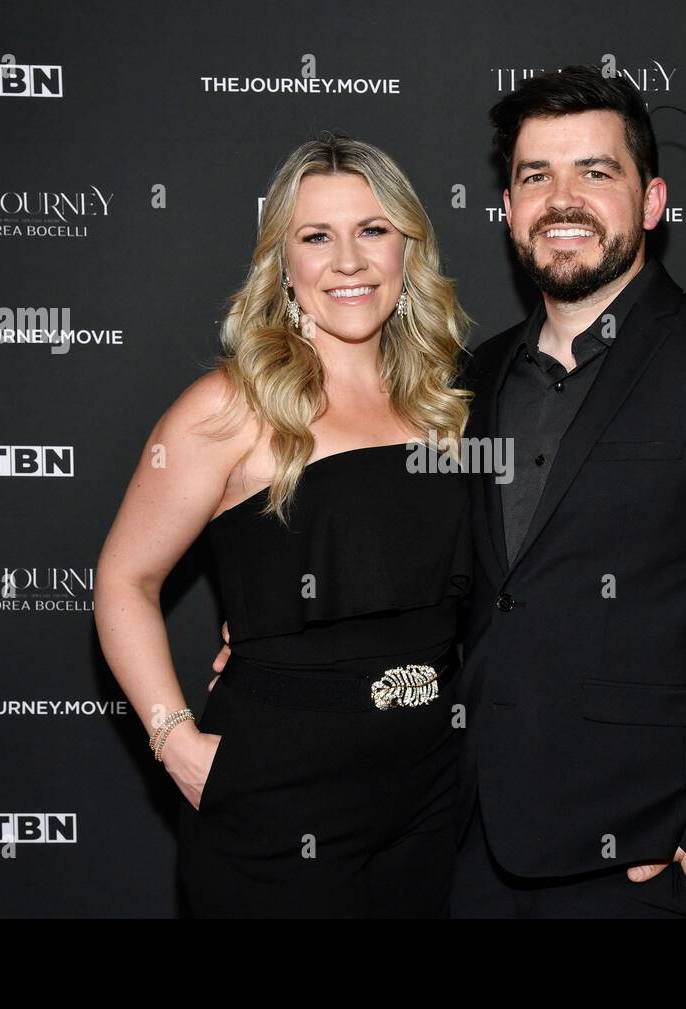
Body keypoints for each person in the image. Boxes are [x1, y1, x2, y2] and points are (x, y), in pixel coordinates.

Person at [444, 65, 686, 918]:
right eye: (534, 175)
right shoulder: (468, 379)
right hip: (472, 853)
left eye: (596, 170)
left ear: (652, 200)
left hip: (650, 869)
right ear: (508, 208)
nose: (562, 198)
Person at [94, 133, 474, 917]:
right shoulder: (229, 407)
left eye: (372, 230)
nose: (348, 260)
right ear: (283, 263)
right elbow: (123, 581)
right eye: (316, 236)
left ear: (408, 250)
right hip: (279, 796)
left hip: (435, 788)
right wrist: (175, 741)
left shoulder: (451, 406)